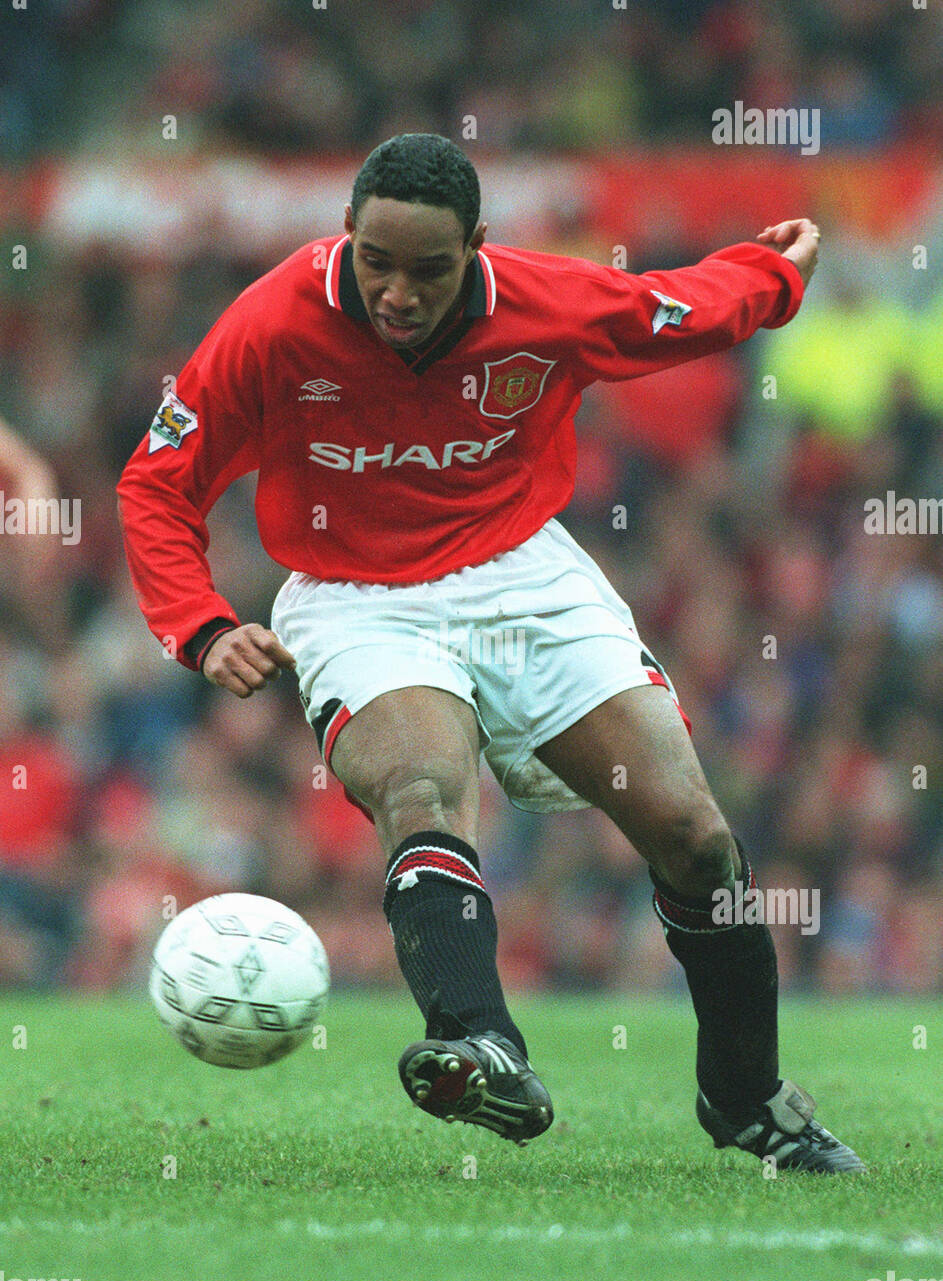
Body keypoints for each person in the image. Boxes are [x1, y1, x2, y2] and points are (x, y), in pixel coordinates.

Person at [118, 133, 863, 1172]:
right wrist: (200, 625)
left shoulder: (542, 302)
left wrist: (774, 274)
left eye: (428, 269)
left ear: (476, 246)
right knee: (422, 785)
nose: (398, 293)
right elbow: (158, 481)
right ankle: (480, 1044)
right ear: (346, 233)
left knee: (693, 836)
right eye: (376, 262)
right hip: (356, 599)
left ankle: (748, 1100)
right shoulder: (274, 322)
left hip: (523, 577)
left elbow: (674, 310)